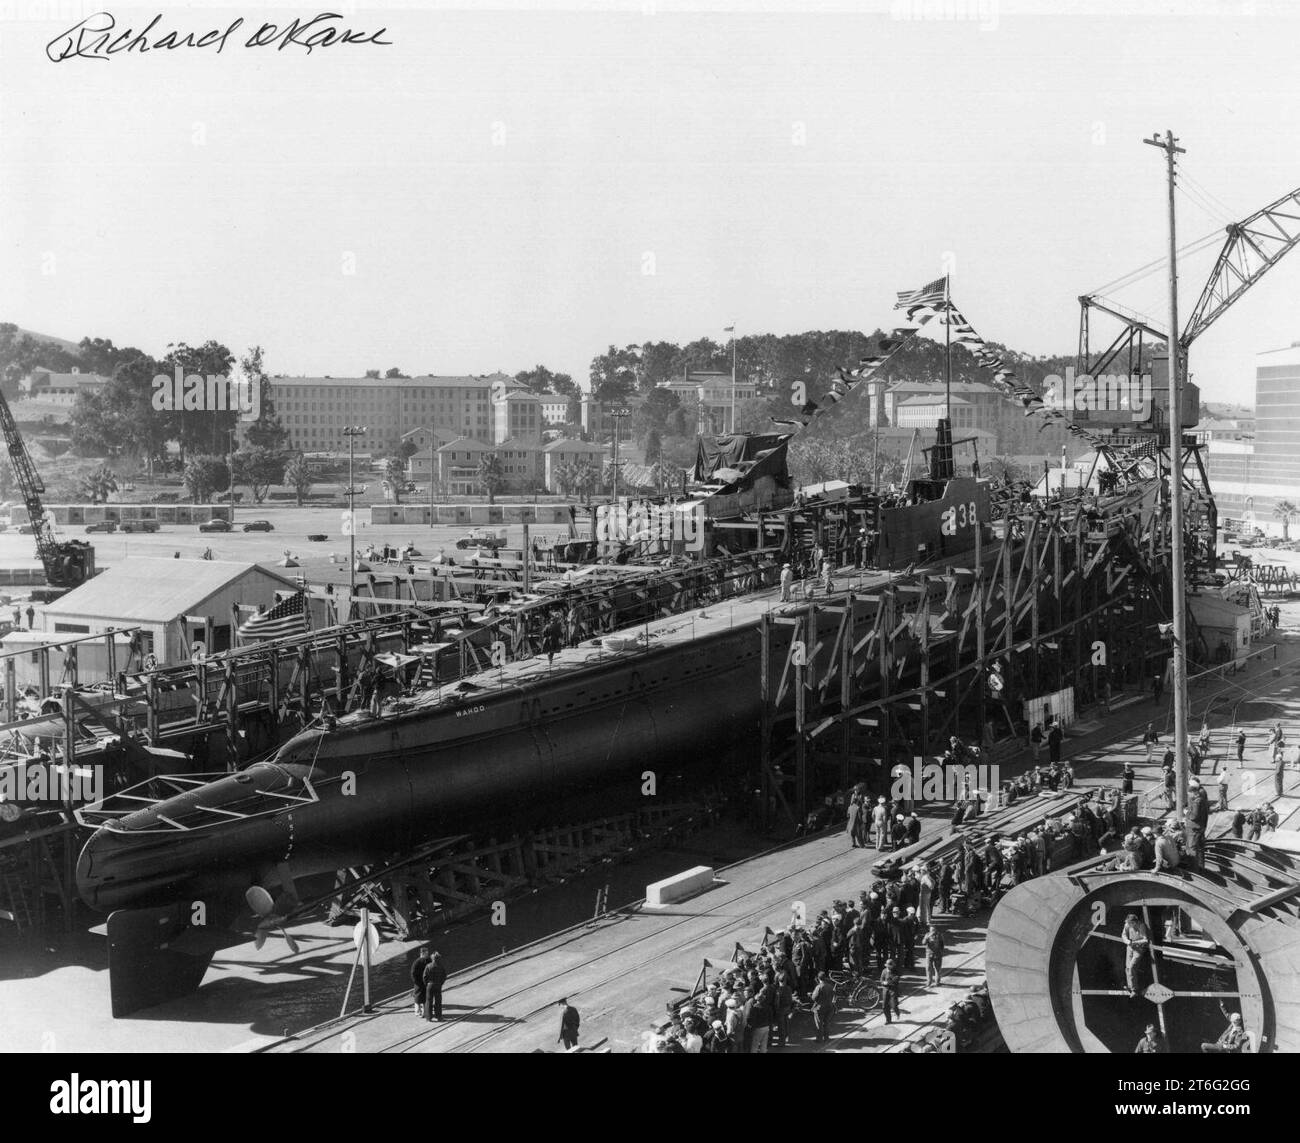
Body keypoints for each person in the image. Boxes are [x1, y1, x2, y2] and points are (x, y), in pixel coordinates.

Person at [1122, 913, 1150, 997]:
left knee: (1131, 967)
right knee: (1127, 968)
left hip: (1139, 948)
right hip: (1130, 947)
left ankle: (1134, 989)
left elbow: (1145, 940)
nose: (1129, 925)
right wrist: (1128, 941)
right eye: (1128, 923)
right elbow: (1123, 935)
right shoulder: (1127, 924)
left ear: (1135, 922)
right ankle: (1130, 987)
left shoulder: (1141, 926)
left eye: (1131, 923)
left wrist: (1134, 942)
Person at [422, 951, 447, 1021]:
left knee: (429, 1001)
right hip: (438, 985)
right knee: (438, 1001)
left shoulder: (428, 966)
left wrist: (427, 984)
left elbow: (424, 977)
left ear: (432, 958)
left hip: (430, 985)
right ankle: (439, 1016)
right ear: (438, 959)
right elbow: (444, 976)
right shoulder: (441, 966)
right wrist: (441, 983)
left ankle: (429, 1017)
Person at [810, 971, 834, 1044]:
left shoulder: (819, 987)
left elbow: (814, 998)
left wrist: (810, 995)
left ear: (818, 978)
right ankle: (826, 1038)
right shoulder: (830, 986)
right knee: (826, 1023)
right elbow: (833, 995)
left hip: (820, 1008)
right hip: (829, 1007)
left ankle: (819, 1039)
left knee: (819, 1024)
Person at [879, 959, 902, 1024]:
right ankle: (888, 1020)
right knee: (884, 1006)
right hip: (885, 990)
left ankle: (897, 1012)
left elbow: (895, 981)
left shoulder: (896, 972)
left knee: (894, 1005)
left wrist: (887, 983)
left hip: (893, 990)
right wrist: (883, 982)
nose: (888, 967)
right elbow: (881, 980)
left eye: (889, 966)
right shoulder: (884, 971)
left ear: (892, 966)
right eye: (887, 966)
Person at [411, 946, 431, 1015]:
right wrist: (416, 982)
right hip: (420, 983)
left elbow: (413, 973)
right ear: (422, 953)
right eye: (426, 953)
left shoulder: (418, 962)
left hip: (421, 983)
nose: (427, 955)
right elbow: (413, 973)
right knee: (420, 998)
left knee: (420, 997)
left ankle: (421, 1011)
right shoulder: (419, 962)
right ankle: (419, 1011)